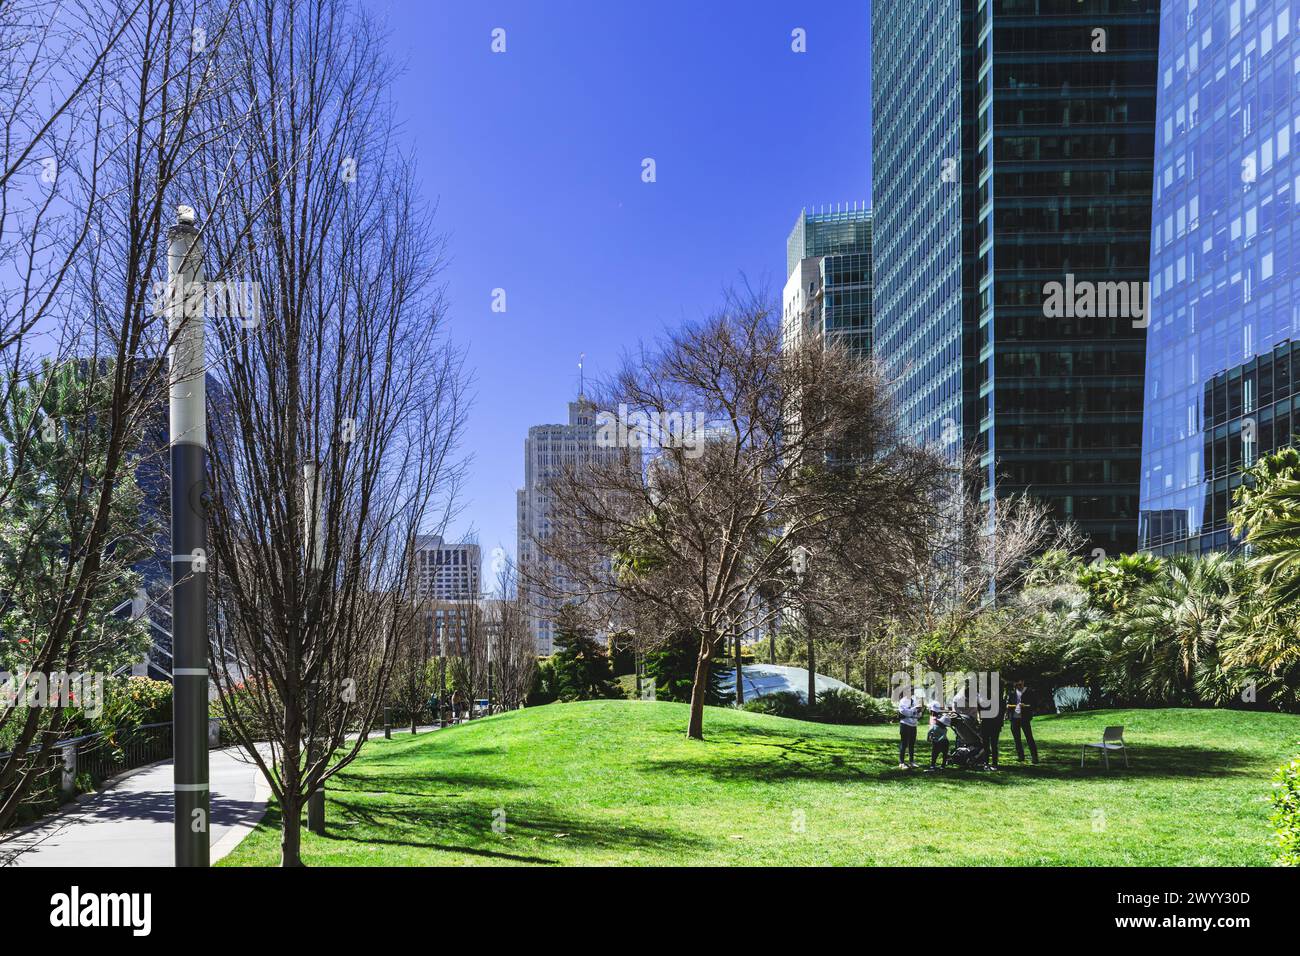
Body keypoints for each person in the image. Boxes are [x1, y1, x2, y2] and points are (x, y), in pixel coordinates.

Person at [1008, 679, 1039, 764]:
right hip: (1014, 718)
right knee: (1017, 739)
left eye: (1019, 684)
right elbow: (1009, 704)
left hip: (1024, 718)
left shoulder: (1029, 692)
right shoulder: (1012, 693)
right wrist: (1009, 708)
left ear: (1023, 682)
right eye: (1016, 684)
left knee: (1029, 737)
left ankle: (1034, 757)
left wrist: (1025, 706)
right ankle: (1020, 756)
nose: (1017, 686)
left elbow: (1034, 705)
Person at [978, 684, 1004, 770]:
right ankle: (993, 763)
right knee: (993, 745)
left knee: (987, 745)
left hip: (988, 725)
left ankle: (987, 763)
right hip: (993, 726)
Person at [896, 689, 921, 769]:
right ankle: (901, 763)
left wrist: (919, 711)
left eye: (912, 691)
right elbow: (905, 712)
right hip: (905, 724)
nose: (912, 693)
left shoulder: (914, 700)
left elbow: (918, 714)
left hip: (913, 724)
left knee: (912, 744)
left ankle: (911, 762)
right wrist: (914, 709)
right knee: (904, 743)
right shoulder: (903, 701)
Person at [925, 700, 949, 772]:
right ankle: (942, 766)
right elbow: (944, 736)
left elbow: (929, 732)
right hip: (944, 742)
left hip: (936, 742)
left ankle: (933, 765)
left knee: (934, 754)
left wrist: (928, 738)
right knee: (944, 754)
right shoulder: (945, 729)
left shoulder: (934, 726)